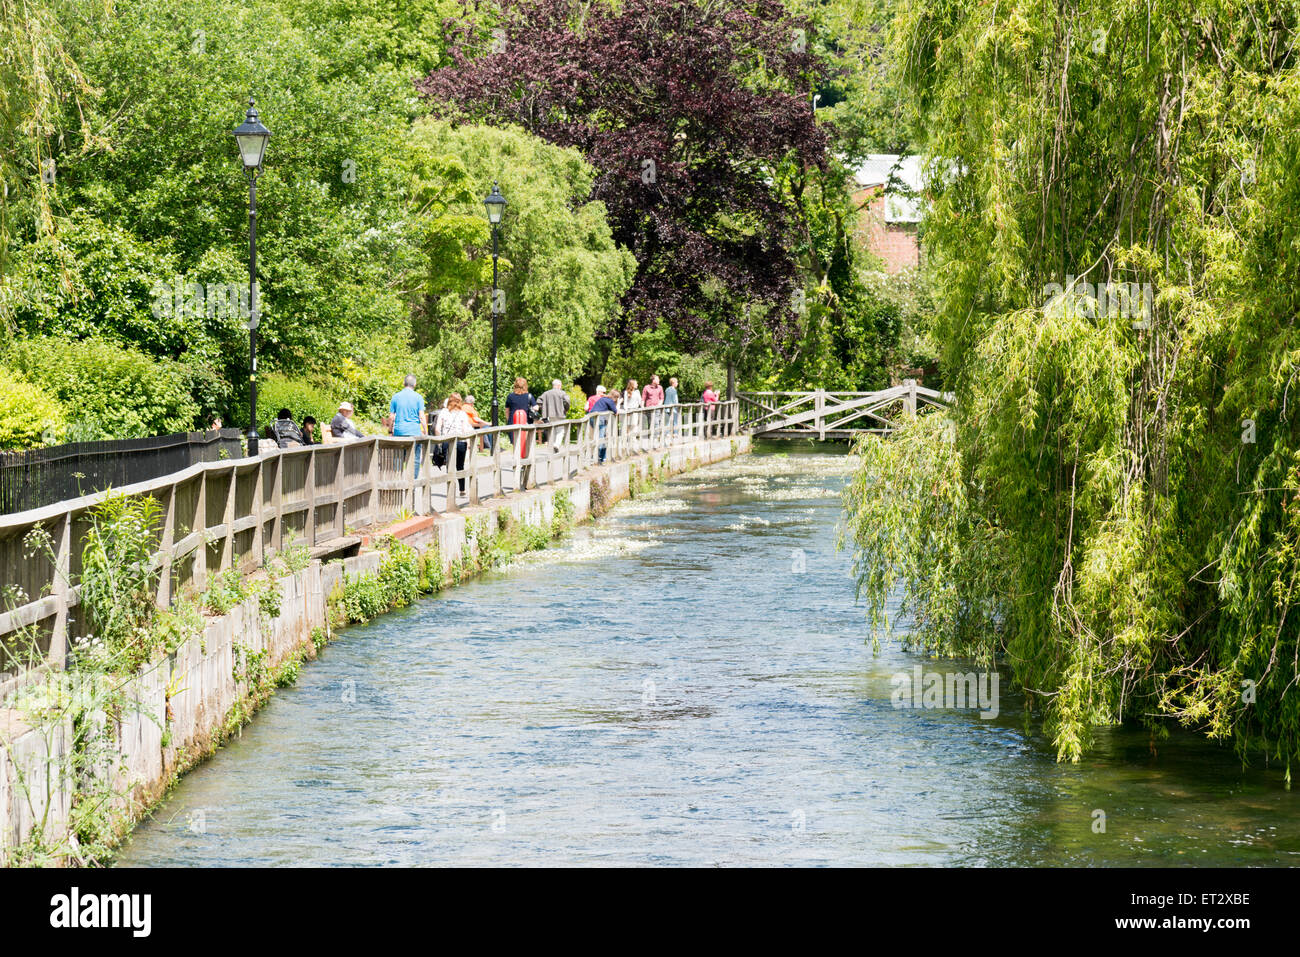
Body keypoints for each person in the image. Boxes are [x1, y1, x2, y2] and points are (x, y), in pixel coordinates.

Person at [390, 375, 428, 477]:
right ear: (415, 384)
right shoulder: (418, 397)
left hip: (399, 432)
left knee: (398, 458)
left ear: (404, 383)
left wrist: (390, 431)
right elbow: (421, 416)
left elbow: (391, 417)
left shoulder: (396, 397)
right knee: (415, 459)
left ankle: (397, 481)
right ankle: (413, 484)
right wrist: (426, 432)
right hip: (414, 432)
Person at [440, 393, 473, 494]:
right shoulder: (462, 413)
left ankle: (450, 489)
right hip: (460, 442)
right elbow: (464, 430)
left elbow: (437, 428)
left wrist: (440, 440)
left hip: (447, 441)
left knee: (449, 466)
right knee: (460, 466)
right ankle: (462, 489)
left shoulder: (444, 412)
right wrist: (468, 442)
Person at [588, 385, 619, 464]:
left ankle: (597, 456)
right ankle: (598, 458)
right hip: (600, 419)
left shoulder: (603, 399)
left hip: (592, 417)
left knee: (595, 437)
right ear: (615, 397)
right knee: (601, 438)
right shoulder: (610, 401)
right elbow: (616, 412)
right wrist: (619, 403)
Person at [539, 378, 570, 452]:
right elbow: (567, 401)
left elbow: (539, 401)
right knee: (560, 431)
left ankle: (552, 446)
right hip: (560, 414)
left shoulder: (546, 393)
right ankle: (556, 445)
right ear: (559, 385)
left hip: (550, 415)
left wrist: (543, 410)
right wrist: (566, 409)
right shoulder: (562, 393)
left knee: (552, 430)